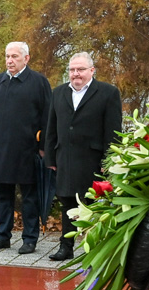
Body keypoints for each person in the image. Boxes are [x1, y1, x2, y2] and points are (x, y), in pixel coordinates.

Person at [44, 52, 122, 261]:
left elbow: (114, 131)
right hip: (66, 159)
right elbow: (51, 128)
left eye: (80, 69)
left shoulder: (108, 93)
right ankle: (66, 247)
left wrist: (110, 161)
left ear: (92, 71)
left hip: (93, 161)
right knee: (67, 203)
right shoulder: (58, 93)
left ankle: (95, 249)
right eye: (72, 70)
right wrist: (50, 158)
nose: (75, 74)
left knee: (95, 205)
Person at [0, 41, 52, 254]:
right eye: (7, 56)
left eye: (14, 56)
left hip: (28, 150)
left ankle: (30, 239)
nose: (10, 61)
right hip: (1, 150)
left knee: (29, 197)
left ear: (26, 58)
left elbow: (48, 118)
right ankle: (2, 236)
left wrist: (43, 147)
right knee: (2, 195)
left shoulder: (38, 82)